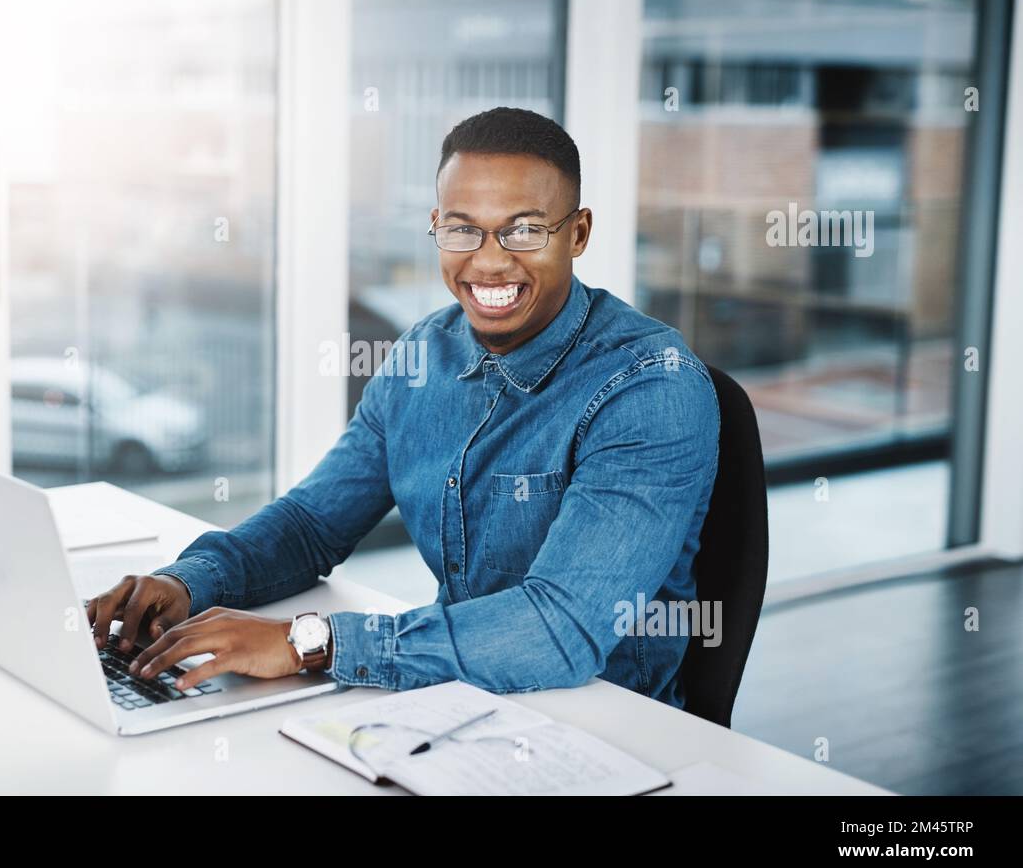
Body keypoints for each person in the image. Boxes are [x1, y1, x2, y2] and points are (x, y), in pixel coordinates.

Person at [86, 106, 719, 707]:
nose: (490, 260)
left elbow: (560, 627)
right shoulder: (424, 354)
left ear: (577, 234)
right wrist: (186, 583)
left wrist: (307, 643)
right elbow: (311, 526)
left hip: (609, 727)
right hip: (456, 702)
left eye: (525, 229)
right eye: (462, 227)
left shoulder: (652, 388)